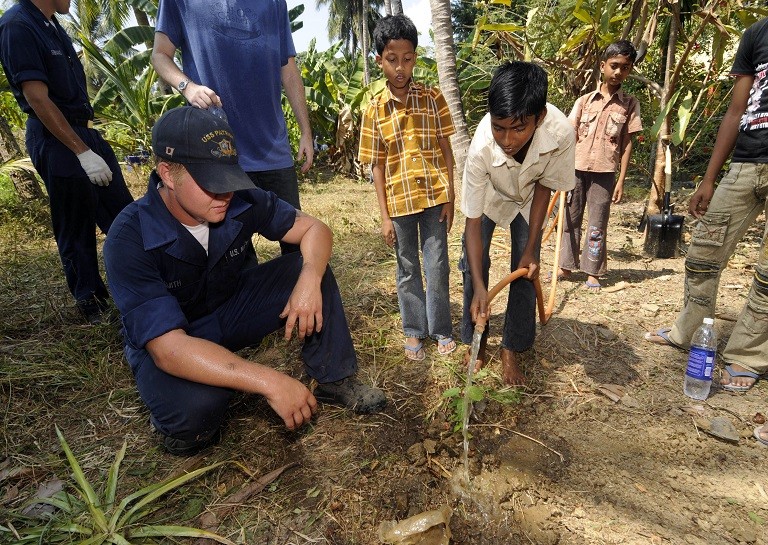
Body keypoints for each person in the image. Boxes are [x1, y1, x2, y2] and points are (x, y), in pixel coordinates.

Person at [104, 107, 386, 456]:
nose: (225, 194)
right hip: (174, 340)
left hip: (229, 309)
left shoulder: (239, 199)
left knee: (309, 266)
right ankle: (172, 422)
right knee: (199, 410)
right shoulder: (129, 238)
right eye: (211, 183)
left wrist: (309, 279)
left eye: (229, 179)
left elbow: (316, 229)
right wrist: (268, 381)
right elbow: (169, 349)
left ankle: (334, 377)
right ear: (168, 173)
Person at [644, 18, 768, 395]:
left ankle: (747, 354)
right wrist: (710, 178)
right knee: (702, 253)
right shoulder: (757, 33)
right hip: (746, 163)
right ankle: (689, 330)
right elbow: (735, 110)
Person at [0, 0, 134, 324]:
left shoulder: (52, 25)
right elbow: (37, 98)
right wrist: (80, 152)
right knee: (76, 223)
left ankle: (143, 286)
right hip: (55, 136)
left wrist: (89, 145)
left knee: (125, 215)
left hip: (83, 131)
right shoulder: (18, 24)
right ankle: (91, 305)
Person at [150, 0, 313, 255]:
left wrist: (306, 131)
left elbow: (289, 70)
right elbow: (160, 54)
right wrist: (188, 87)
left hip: (273, 148)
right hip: (217, 154)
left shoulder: (274, 3)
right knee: (231, 257)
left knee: (296, 247)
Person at [460, 61, 575, 385]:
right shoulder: (482, 147)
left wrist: (531, 247)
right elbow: (471, 224)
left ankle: (512, 348)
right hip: (491, 196)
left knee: (525, 271)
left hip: (529, 200)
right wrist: (482, 286)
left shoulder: (561, 132)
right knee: (472, 265)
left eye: (518, 129)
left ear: (538, 119)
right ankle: (478, 341)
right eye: (499, 127)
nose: (507, 140)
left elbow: (544, 186)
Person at [358, 14, 457, 361]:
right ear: (379, 60)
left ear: (416, 56)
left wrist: (451, 195)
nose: (400, 68)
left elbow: (446, 148)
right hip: (399, 204)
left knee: (437, 264)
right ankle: (414, 329)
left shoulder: (433, 97)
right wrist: (385, 217)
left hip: (434, 198)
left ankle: (441, 328)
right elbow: (377, 166)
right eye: (392, 59)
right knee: (408, 268)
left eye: (408, 58)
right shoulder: (373, 110)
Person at [557, 40, 642, 292]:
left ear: (629, 70)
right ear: (602, 66)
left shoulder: (629, 104)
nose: (618, 72)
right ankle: (565, 265)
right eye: (614, 66)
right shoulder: (584, 101)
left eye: (625, 68)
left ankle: (592, 271)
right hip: (576, 169)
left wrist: (621, 179)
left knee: (598, 222)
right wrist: (561, 171)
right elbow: (569, 137)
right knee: (570, 219)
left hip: (605, 173)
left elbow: (627, 143)